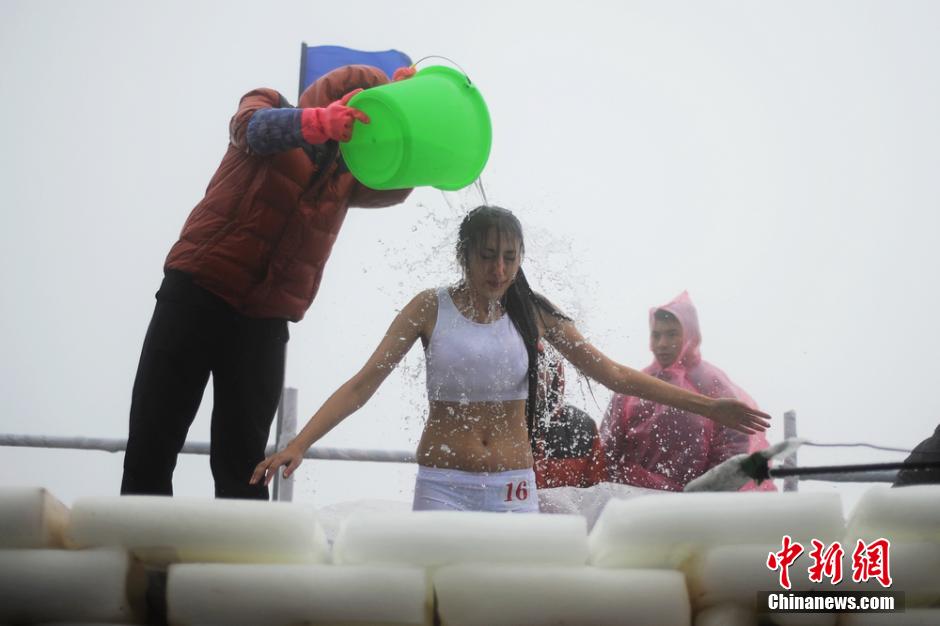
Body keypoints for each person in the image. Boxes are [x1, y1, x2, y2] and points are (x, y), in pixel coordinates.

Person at [251, 206, 770, 512]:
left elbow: (614, 374)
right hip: (443, 485)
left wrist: (710, 407)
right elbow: (363, 385)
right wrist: (299, 443)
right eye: (487, 256)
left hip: (512, 487)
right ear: (464, 255)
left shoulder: (534, 313)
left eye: (509, 257)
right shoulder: (429, 308)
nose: (498, 270)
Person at [121, 64, 415, 500]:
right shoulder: (269, 103)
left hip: (264, 322)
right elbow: (251, 129)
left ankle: (242, 547)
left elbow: (397, 181)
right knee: (154, 437)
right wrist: (317, 123)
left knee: (245, 465)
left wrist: (409, 114)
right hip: (196, 294)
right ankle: (140, 543)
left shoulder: (349, 173)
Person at [600, 291, 775, 492]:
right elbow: (608, 449)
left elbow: (733, 450)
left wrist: (705, 495)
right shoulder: (634, 388)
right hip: (636, 502)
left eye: (672, 334)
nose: (662, 344)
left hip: (693, 504)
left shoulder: (711, 383)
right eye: (656, 335)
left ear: (690, 336)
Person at [531, 347, 608, 489]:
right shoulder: (497, 426)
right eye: (527, 365)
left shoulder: (582, 427)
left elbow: (597, 492)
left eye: (542, 365)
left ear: (554, 372)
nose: (535, 374)